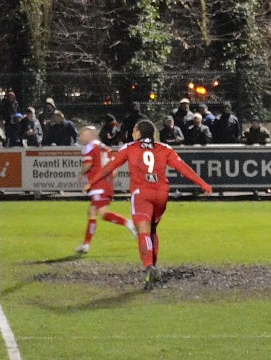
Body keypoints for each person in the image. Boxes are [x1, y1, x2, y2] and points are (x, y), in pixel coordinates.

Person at [85, 119, 212, 287]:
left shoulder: (129, 148)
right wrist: (202, 184)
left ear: (139, 132)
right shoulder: (165, 148)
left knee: (143, 232)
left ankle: (148, 266)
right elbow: (182, 167)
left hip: (142, 194)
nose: (132, 133)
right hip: (161, 195)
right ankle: (154, 267)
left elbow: (110, 167)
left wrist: (92, 182)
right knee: (152, 230)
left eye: (134, 130)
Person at [74, 124, 135, 255]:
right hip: (106, 184)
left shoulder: (90, 147)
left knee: (103, 213)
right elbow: (115, 169)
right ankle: (86, 245)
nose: (80, 137)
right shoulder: (105, 147)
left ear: (90, 135)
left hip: (98, 185)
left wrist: (81, 174)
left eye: (82, 134)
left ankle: (129, 223)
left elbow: (88, 164)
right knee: (92, 212)